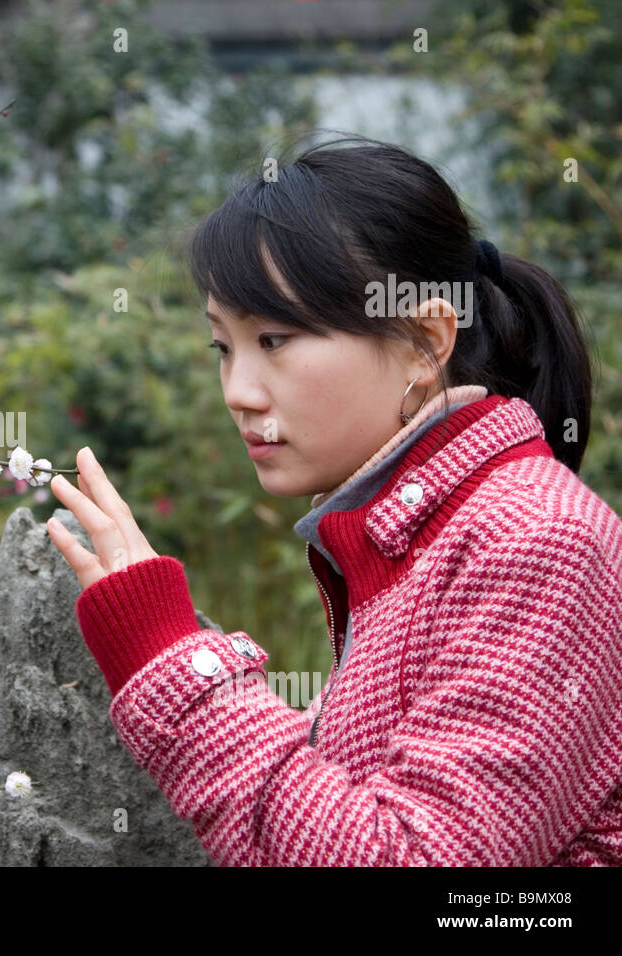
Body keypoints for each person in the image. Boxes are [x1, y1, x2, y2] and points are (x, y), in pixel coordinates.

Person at [45, 133, 622, 866]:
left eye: (276, 340)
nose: (238, 392)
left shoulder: (535, 542)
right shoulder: (421, 536)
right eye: (224, 347)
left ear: (423, 341)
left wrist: (173, 663)